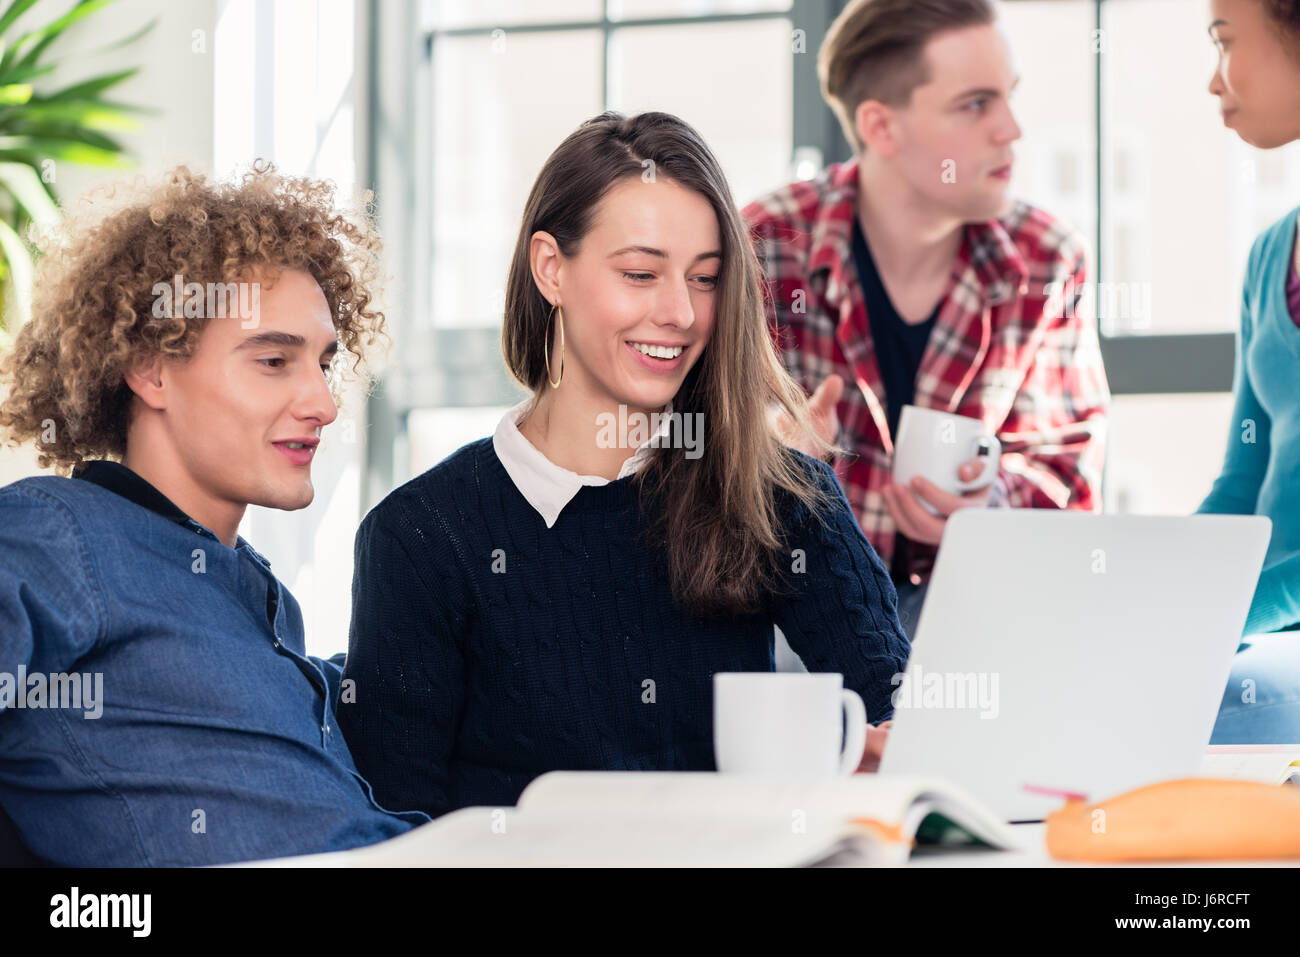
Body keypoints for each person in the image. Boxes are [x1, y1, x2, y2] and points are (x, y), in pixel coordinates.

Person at [338, 111, 909, 820]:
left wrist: (884, 757)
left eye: (706, 279)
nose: (680, 312)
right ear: (551, 268)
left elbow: (897, 713)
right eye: (641, 273)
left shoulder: (778, 495)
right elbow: (393, 830)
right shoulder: (421, 538)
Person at [0, 164, 429, 865]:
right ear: (151, 370)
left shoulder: (255, 593)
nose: (322, 403)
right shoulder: (57, 532)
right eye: (272, 361)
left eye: (323, 362)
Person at [746, 0, 1110, 638]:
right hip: (795, 614)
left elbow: (1068, 479)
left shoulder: (1047, 259)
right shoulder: (766, 246)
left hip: (971, 613)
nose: (1012, 130)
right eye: (976, 104)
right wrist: (765, 463)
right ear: (882, 127)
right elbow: (673, 468)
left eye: (1009, 97)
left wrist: (992, 501)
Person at [1202, 0, 1300, 742]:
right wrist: (1165, 580)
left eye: (1225, 41)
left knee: (1217, 705)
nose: (1214, 80)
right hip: (1265, 628)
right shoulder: (1270, 255)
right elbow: (1243, 479)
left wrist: (1226, 609)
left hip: (1270, 634)